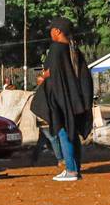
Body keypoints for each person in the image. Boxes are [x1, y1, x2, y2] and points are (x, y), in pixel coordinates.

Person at [39, 17, 94, 181]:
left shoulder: (56, 49)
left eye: (51, 29)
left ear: (57, 31)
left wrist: (43, 77)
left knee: (63, 132)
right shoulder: (74, 50)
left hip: (61, 98)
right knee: (72, 132)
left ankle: (71, 170)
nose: (50, 32)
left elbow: (53, 73)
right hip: (75, 99)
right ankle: (75, 169)